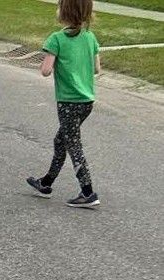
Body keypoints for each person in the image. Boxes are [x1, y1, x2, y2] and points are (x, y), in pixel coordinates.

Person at [26, 0, 101, 208]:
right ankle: (46, 183)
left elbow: (45, 71)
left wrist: (53, 59)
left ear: (65, 11)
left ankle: (88, 192)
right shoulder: (90, 37)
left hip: (68, 102)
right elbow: (96, 69)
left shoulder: (56, 39)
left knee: (74, 145)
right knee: (61, 141)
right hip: (87, 102)